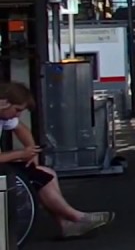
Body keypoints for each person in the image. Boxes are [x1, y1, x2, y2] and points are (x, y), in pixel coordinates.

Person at [0, 83, 113, 239]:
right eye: (17, 110)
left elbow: (20, 128)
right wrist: (21, 153)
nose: (17, 115)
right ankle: (76, 217)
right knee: (39, 178)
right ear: (3, 102)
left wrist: (31, 150)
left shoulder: (4, 115)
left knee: (48, 174)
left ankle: (65, 224)